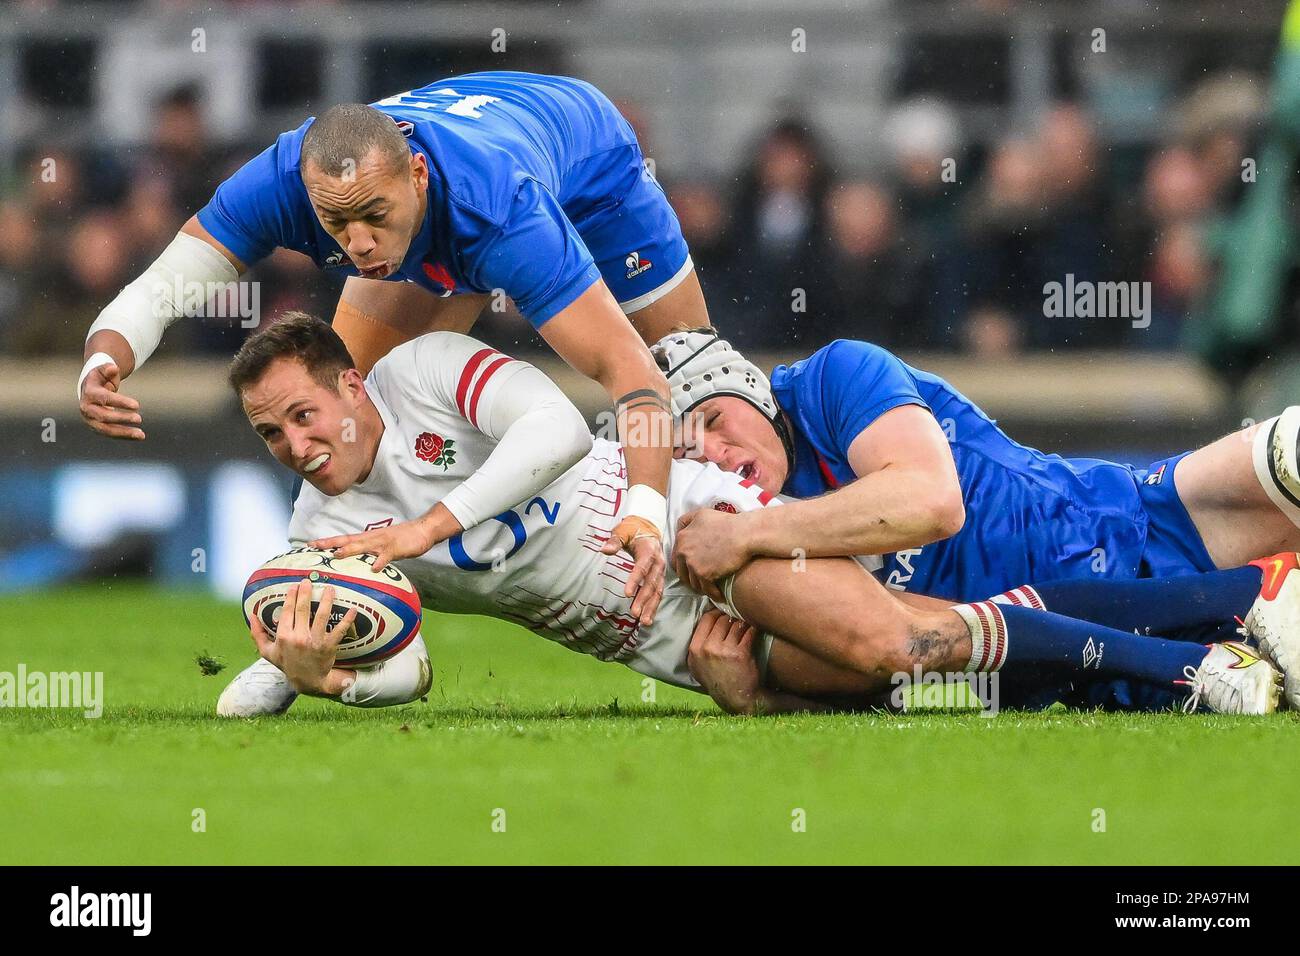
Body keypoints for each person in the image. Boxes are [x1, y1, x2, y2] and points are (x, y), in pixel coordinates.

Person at [217, 313, 1294, 719]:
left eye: (303, 413)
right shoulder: (325, 526)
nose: (297, 444)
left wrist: (421, 527)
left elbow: (548, 428)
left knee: (900, 639)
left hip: (689, 542)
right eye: (272, 436)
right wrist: (329, 675)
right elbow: (404, 660)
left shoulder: (424, 377)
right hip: (674, 641)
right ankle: (1225, 621)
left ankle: (1202, 655)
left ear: (351, 385)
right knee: (893, 679)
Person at [78, 72, 717, 626]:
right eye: (337, 225)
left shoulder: (502, 212)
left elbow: (633, 378)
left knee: (698, 393)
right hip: (464, 153)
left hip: (587, 158)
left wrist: (644, 509)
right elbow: (166, 285)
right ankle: (319, 621)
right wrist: (104, 358)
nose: (358, 246)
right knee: (342, 408)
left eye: (374, 217)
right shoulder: (283, 179)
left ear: (415, 174)